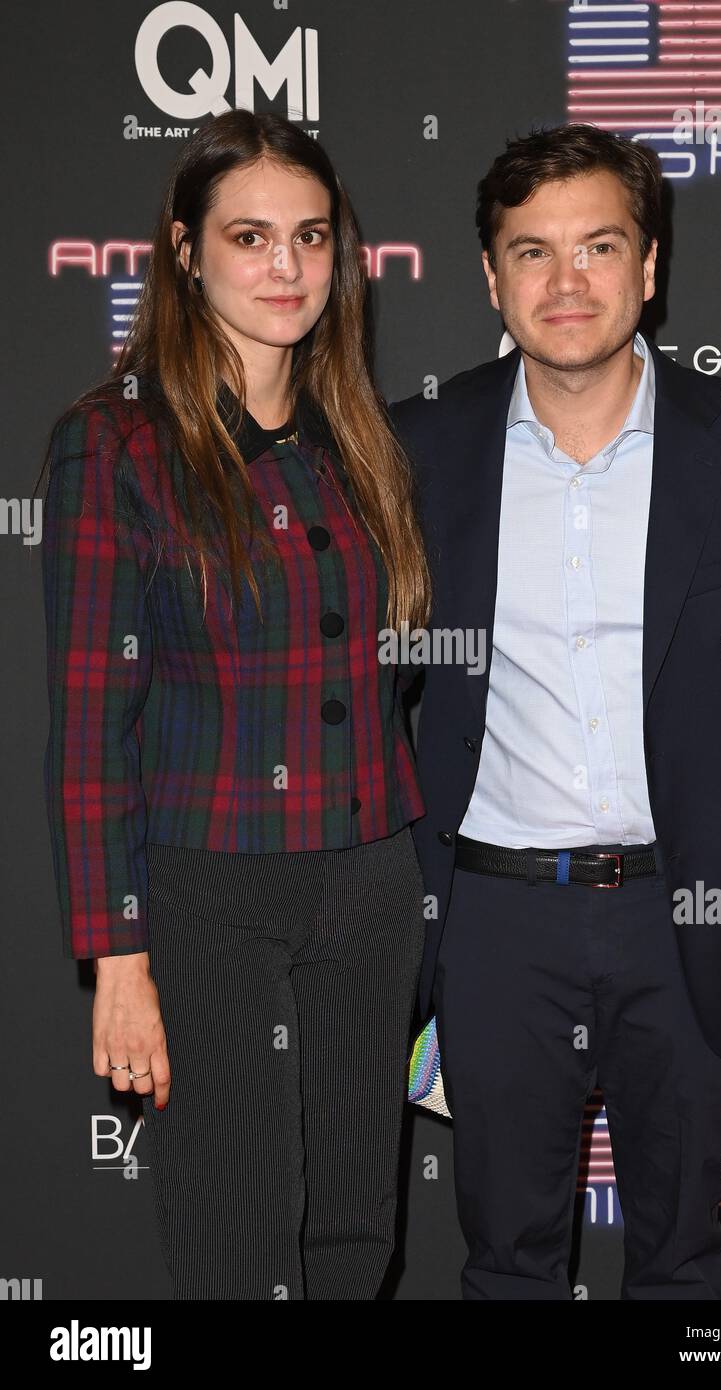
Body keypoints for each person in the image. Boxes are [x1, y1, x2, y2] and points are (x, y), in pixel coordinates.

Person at [390, 123, 721, 1300]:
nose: (567, 281)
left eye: (599, 245)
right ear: (491, 279)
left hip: (683, 909)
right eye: (530, 252)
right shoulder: (417, 448)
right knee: (506, 1266)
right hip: (491, 923)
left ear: (650, 264)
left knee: (686, 1261)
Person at [39, 109, 431, 1301]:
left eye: (310, 237)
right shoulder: (111, 445)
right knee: (236, 1247)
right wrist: (118, 955)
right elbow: (88, 722)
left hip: (370, 883)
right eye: (250, 235)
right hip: (211, 893)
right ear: (183, 249)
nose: (286, 267)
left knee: (356, 1233)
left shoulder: (363, 440)